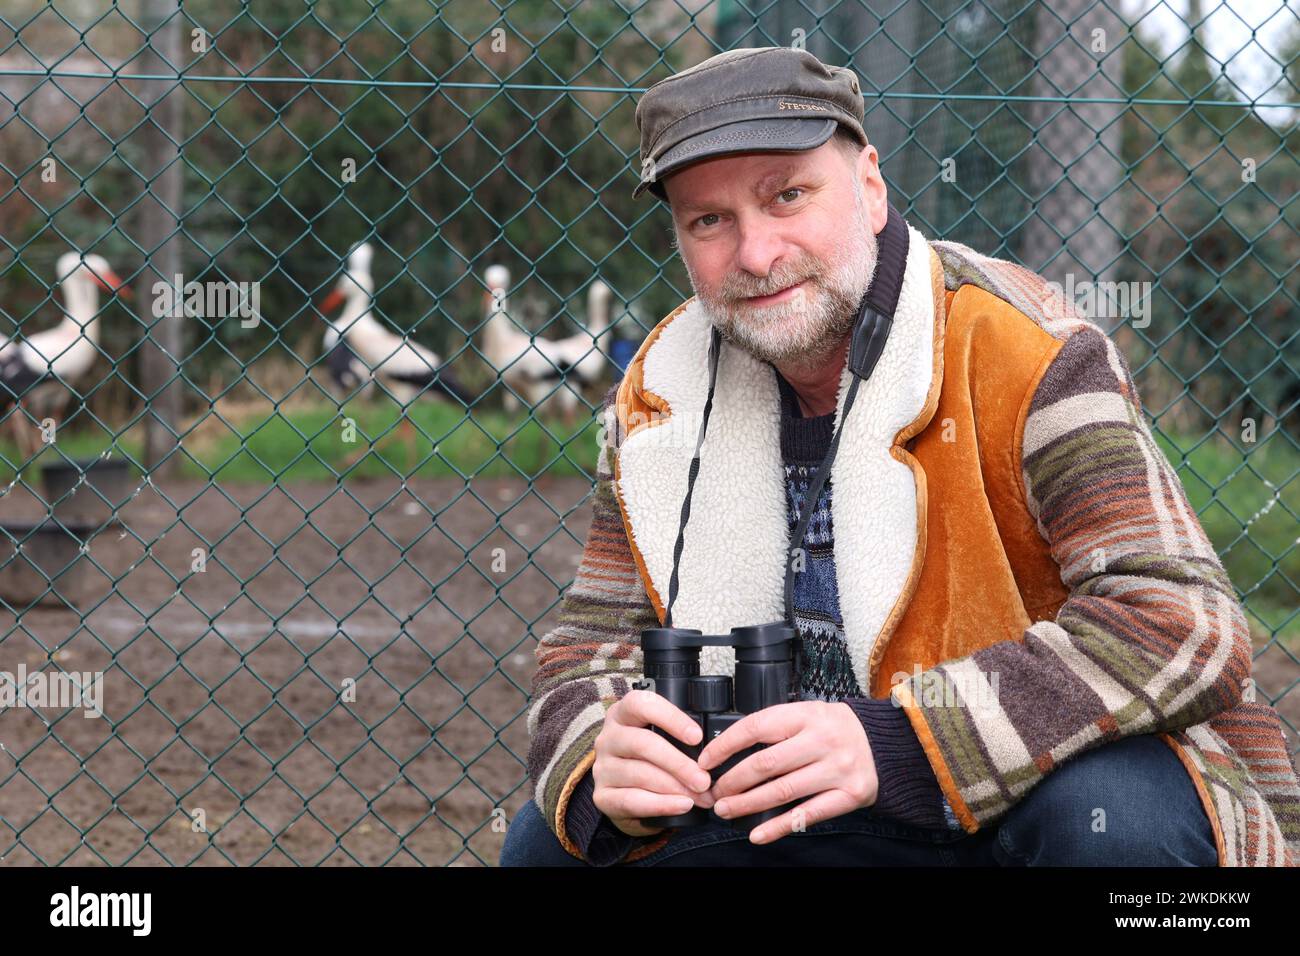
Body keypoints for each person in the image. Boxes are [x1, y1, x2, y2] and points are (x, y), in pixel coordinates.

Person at [501, 46, 1300, 867]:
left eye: (789, 196)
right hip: (784, 805)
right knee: (558, 838)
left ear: (871, 186)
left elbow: (1182, 622)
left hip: (1009, 803)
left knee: (1116, 818)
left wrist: (908, 741)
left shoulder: (1027, 350)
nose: (755, 253)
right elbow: (587, 646)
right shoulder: (659, 392)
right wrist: (603, 746)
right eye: (709, 220)